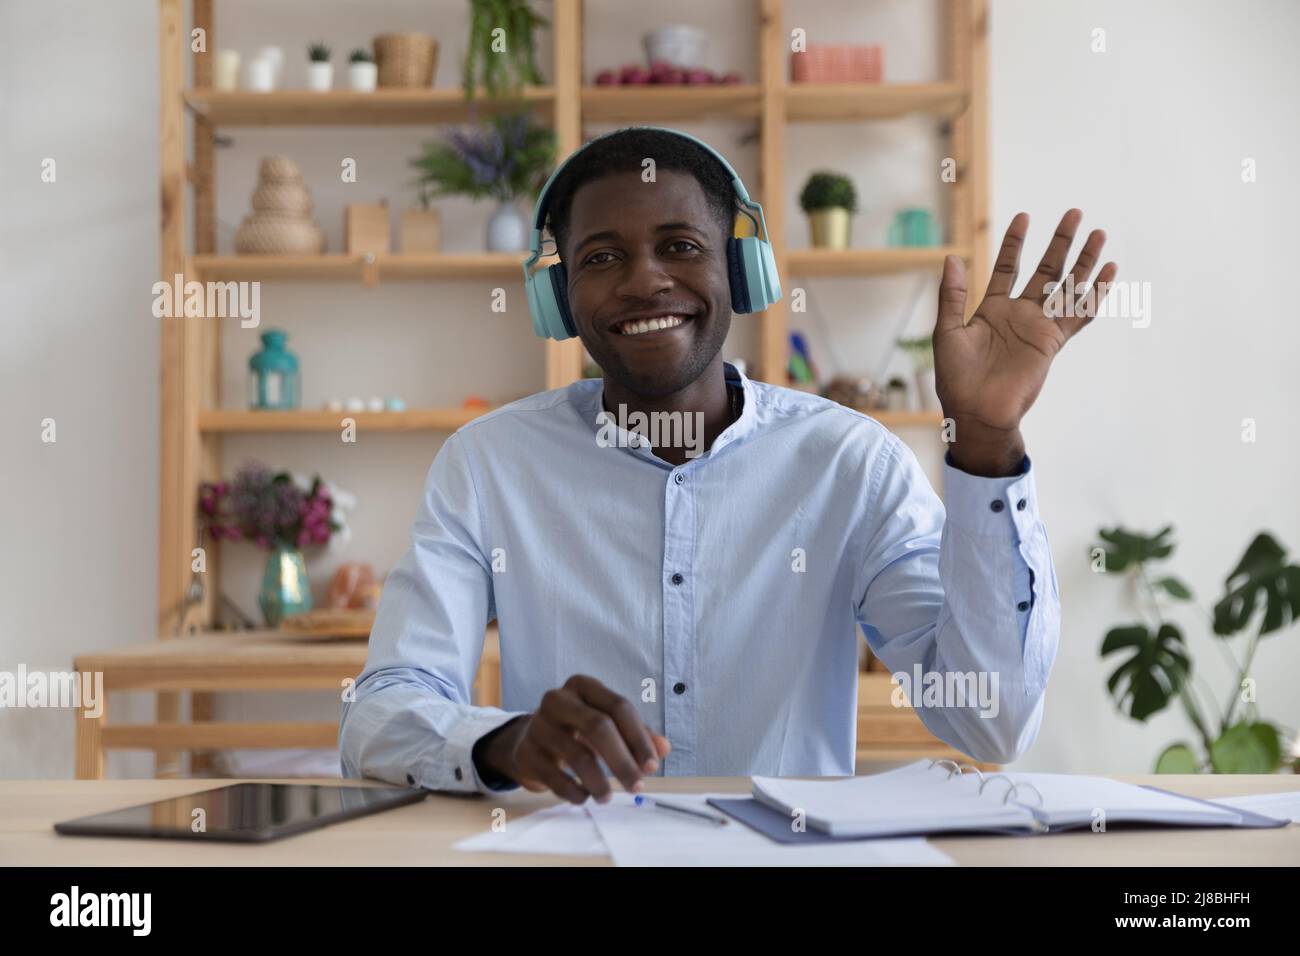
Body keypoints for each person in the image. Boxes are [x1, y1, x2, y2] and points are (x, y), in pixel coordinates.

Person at [339, 126, 1117, 805]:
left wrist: (985, 441)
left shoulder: (851, 463)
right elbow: (378, 715)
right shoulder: (489, 464)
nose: (645, 279)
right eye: (603, 256)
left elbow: (991, 720)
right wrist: (502, 743)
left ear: (740, 273)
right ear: (560, 298)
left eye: (680, 246)